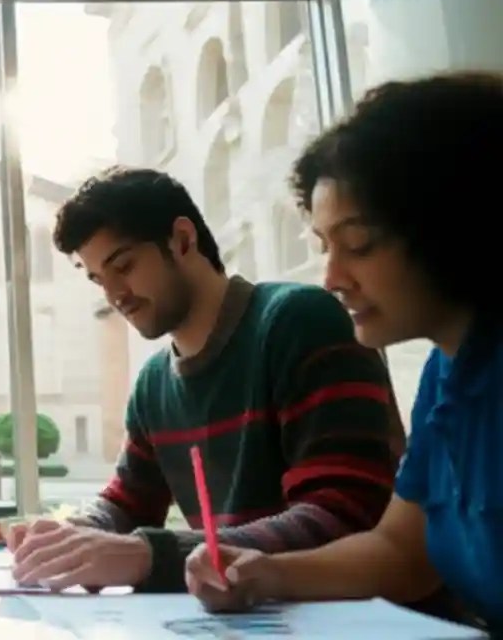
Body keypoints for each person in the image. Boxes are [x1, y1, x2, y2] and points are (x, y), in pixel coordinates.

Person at [0, 167, 404, 593]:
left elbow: (344, 515)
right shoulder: (154, 383)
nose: (114, 295)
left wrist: (152, 555)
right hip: (246, 614)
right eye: (97, 279)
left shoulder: (298, 321)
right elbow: (126, 505)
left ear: (183, 240)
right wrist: (61, 535)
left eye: (123, 266)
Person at [185, 73, 503, 632]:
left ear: (456, 223)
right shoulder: (445, 374)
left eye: (359, 244)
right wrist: (268, 574)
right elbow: (403, 554)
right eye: (324, 246)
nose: (331, 277)